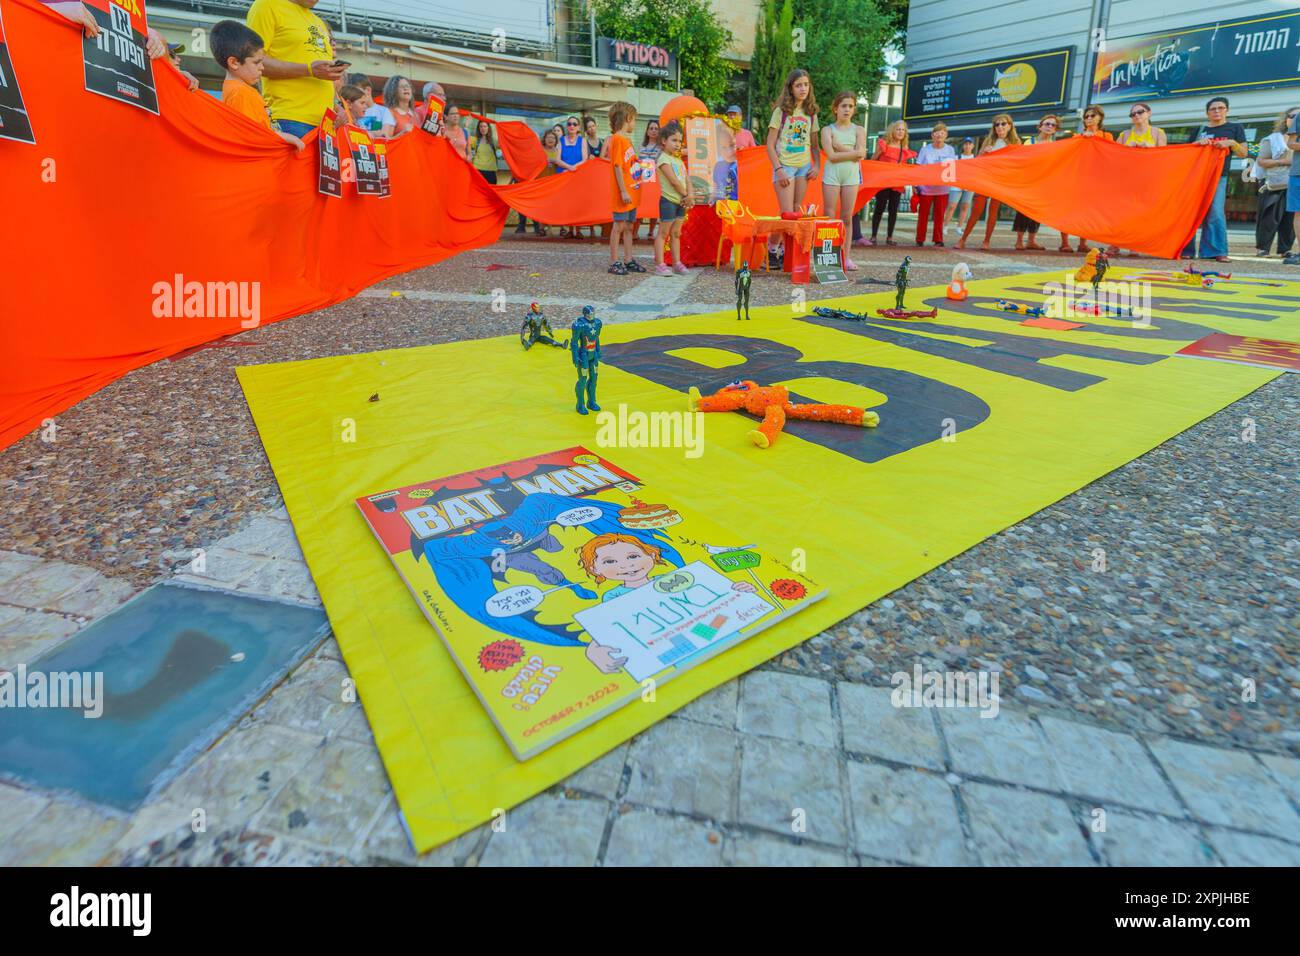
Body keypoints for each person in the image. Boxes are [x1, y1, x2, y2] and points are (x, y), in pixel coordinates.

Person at [245, 0, 346, 140]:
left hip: (326, 125)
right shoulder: (267, 5)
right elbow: (252, 61)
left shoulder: (317, 21)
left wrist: (336, 107)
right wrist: (309, 70)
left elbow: (318, 73)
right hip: (290, 119)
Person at [210, 20, 305, 150]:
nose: (262, 67)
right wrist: (283, 137)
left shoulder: (237, 89)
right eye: (256, 62)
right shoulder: (240, 93)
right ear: (233, 62)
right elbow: (251, 137)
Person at [1181, 97, 1249, 262]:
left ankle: (1216, 251)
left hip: (1219, 176)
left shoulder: (1235, 128)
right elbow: (1186, 154)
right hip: (1196, 176)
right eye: (1213, 109)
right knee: (1189, 212)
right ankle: (1186, 250)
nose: (1217, 111)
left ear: (1227, 110)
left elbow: (1243, 153)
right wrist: (1198, 143)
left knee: (1216, 213)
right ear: (1207, 113)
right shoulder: (1199, 129)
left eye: (1221, 108)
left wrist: (1231, 142)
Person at [766, 68, 820, 263]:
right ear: (791, 88)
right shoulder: (781, 112)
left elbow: (815, 145)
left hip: (804, 167)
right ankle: (772, 249)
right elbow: (770, 145)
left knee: (797, 212)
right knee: (787, 214)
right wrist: (778, 169)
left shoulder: (811, 113)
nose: (803, 88)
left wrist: (817, 165)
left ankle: (789, 255)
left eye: (806, 84)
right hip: (785, 166)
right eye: (798, 85)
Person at [957, 114, 1020, 250]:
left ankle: (986, 241)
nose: (1000, 127)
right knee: (976, 210)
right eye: (996, 124)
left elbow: (1017, 163)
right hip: (985, 179)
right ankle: (963, 239)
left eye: (1003, 124)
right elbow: (978, 161)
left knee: (993, 211)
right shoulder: (989, 141)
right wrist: (984, 153)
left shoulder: (1015, 143)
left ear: (1010, 126)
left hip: (1000, 181)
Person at [819, 92, 866, 269]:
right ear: (835, 108)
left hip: (851, 177)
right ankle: (828, 255)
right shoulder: (827, 130)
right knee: (829, 216)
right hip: (832, 175)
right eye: (843, 106)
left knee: (847, 216)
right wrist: (852, 153)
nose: (847, 109)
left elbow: (861, 155)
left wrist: (839, 146)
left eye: (850, 106)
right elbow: (831, 156)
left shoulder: (859, 130)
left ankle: (846, 257)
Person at [1011, 115, 1061, 251]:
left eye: (1053, 125)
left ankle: (1031, 241)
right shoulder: (1030, 141)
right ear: (1040, 126)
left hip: (1044, 183)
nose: (1050, 127)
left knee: (1036, 211)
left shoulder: (1056, 146)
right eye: (1047, 124)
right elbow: (1022, 159)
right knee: (1022, 211)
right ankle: (1019, 241)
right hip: (1028, 182)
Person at [1252, 108, 1297, 257]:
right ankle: (1262, 248)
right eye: (1293, 115)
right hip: (1273, 183)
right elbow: (1262, 161)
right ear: (1286, 119)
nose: (1297, 118)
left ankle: (1285, 249)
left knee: (1290, 218)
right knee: (1269, 217)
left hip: (1294, 183)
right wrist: (1284, 161)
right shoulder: (1272, 138)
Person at [606, 101, 643, 275]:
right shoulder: (617, 139)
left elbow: (629, 164)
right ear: (628, 118)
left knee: (629, 226)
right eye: (634, 119)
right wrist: (623, 190)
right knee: (618, 226)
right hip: (624, 193)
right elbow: (617, 166)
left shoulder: (625, 140)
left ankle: (628, 259)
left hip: (632, 191)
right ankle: (614, 261)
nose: (635, 123)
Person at [866, 120, 915, 246]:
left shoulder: (905, 148)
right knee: (879, 208)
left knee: (893, 210)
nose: (900, 132)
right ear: (892, 130)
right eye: (898, 129)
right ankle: (873, 236)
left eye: (903, 130)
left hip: (897, 183)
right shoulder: (883, 144)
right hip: (883, 182)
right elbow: (873, 161)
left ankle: (889, 237)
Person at [654, 122, 692, 276]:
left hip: (681, 202)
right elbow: (674, 181)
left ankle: (676, 263)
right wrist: (686, 195)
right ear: (664, 141)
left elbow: (686, 179)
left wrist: (690, 195)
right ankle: (660, 264)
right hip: (668, 201)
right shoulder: (663, 159)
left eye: (680, 141)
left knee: (676, 233)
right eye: (674, 140)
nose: (678, 144)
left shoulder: (678, 161)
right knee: (663, 233)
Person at [914, 121, 955, 248]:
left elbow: (952, 168)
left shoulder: (950, 150)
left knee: (939, 215)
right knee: (923, 214)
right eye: (937, 132)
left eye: (942, 132)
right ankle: (920, 238)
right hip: (926, 188)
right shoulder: (925, 149)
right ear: (932, 135)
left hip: (943, 189)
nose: (939, 135)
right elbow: (918, 167)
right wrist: (915, 185)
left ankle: (938, 239)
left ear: (946, 135)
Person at [555, 116, 590, 238]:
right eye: (569, 124)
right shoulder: (561, 140)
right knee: (567, 203)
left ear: (579, 127)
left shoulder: (583, 141)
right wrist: (568, 167)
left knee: (578, 203)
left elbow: (585, 159)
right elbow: (557, 159)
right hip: (564, 176)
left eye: (575, 124)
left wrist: (574, 167)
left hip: (578, 175)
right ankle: (570, 229)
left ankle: (578, 229)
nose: (572, 126)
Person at [942, 137, 976, 236]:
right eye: (966, 144)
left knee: (965, 206)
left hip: (969, 185)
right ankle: (945, 226)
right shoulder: (957, 157)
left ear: (973, 146)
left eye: (970, 144)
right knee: (952, 206)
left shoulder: (975, 159)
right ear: (963, 145)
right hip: (956, 184)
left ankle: (959, 227)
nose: (968, 146)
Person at [637, 120, 663, 242]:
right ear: (647, 131)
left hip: (656, 180)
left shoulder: (661, 147)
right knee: (640, 206)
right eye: (651, 128)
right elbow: (637, 161)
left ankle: (651, 232)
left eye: (656, 128)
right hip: (643, 180)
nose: (653, 131)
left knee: (654, 206)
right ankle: (635, 232)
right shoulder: (641, 146)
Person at [469, 119, 500, 184]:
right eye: (481, 126)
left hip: (490, 171)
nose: (483, 128)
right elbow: (464, 138)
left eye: (485, 126)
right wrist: (466, 125)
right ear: (478, 128)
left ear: (488, 128)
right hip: (478, 170)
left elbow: (506, 145)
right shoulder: (475, 140)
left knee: (491, 192)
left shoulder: (494, 141)